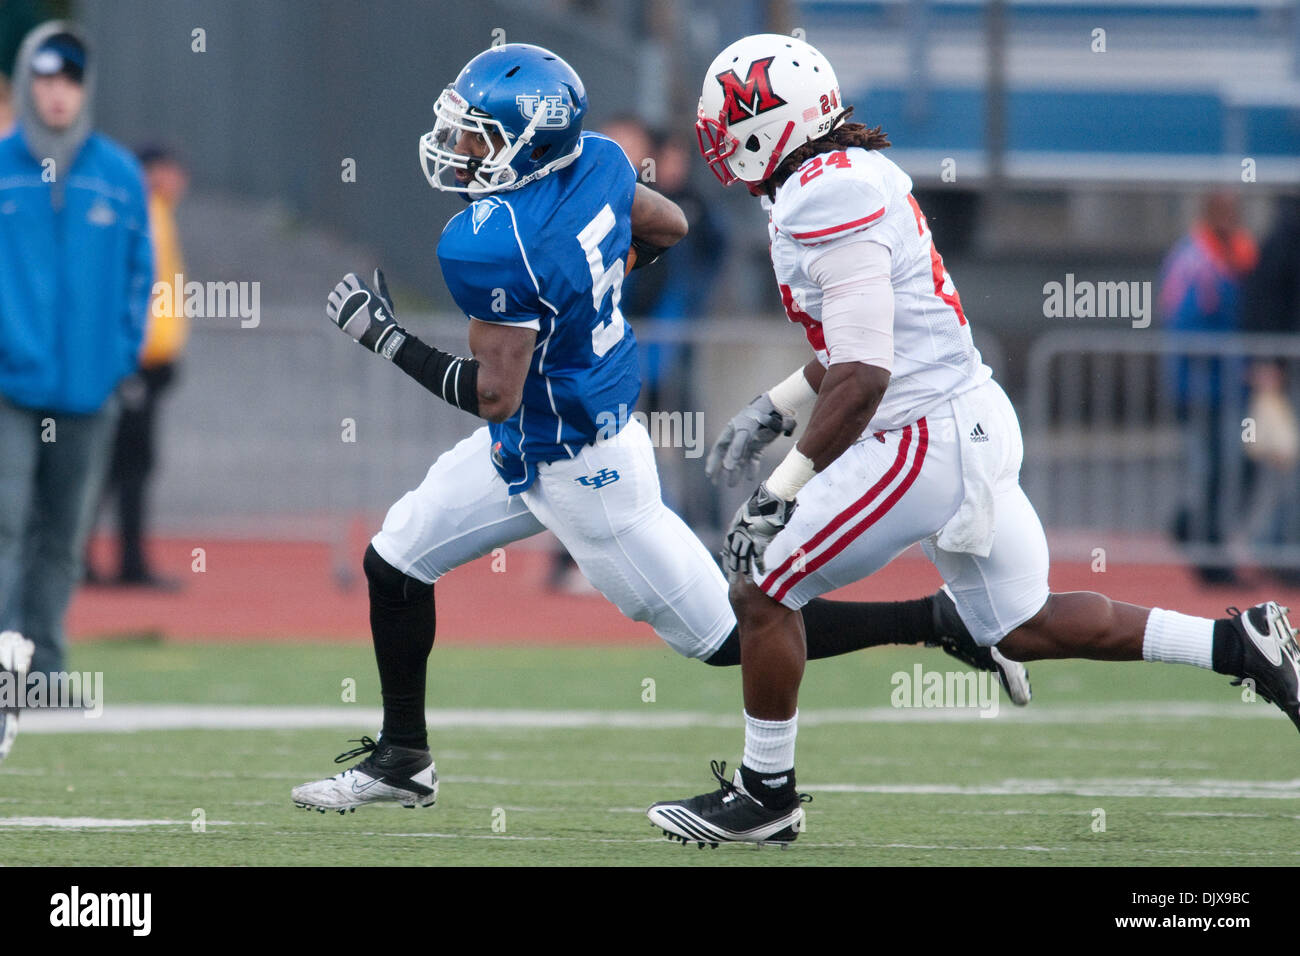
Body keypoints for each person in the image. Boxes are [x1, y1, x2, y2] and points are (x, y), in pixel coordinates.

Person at [290, 43, 1028, 816]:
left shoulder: (491, 242)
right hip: (529, 444)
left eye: (477, 135)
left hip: (588, 468)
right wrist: (592, 280)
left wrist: (384, 337)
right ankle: (402, 758)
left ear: (529, 141)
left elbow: (493, 393)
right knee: (394, 563)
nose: (459, 148)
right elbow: (668, 224)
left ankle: (940, 621)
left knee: (725, 635)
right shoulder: (603, 161)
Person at [648, 34, 1300, 847]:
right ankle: (1241, 644)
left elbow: (865, 375)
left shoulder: (824, 195)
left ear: (766, 125)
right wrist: (774, 408)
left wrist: (779, 491)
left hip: (923, 437)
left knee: (761, 583)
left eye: (725, 123)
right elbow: (863, 343)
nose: (714, 140)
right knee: (1023, 624)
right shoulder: (839, 176)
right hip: (966, 415)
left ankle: (765, 794)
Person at [0, 22, 152, 680]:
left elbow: (139, 276)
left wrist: (119, 356)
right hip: (8, 386)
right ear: (25, 82)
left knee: (62, 537)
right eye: (45, 77)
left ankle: (44, 668)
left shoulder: (119, 175)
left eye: (69, 80)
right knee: (4, 526)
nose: (57, 93)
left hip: (90, 390)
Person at [86, 145, 190, 588]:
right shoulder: (139, 212)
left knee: (122, 463)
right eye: (168, 170)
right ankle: (120, 562)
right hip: (134, 362)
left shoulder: (157, 212)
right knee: (123, 464)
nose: (179, 179)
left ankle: (94, 557)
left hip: (150, 361)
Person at [1157, 191, 1257, 584]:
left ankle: (1194, 529)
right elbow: (1188, 323)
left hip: (1227, 383)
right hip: (1202, 384)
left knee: (1233, 466)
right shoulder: (1198, 259)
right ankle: (1207, 550)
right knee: (1217, 468)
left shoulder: (1235, 253)